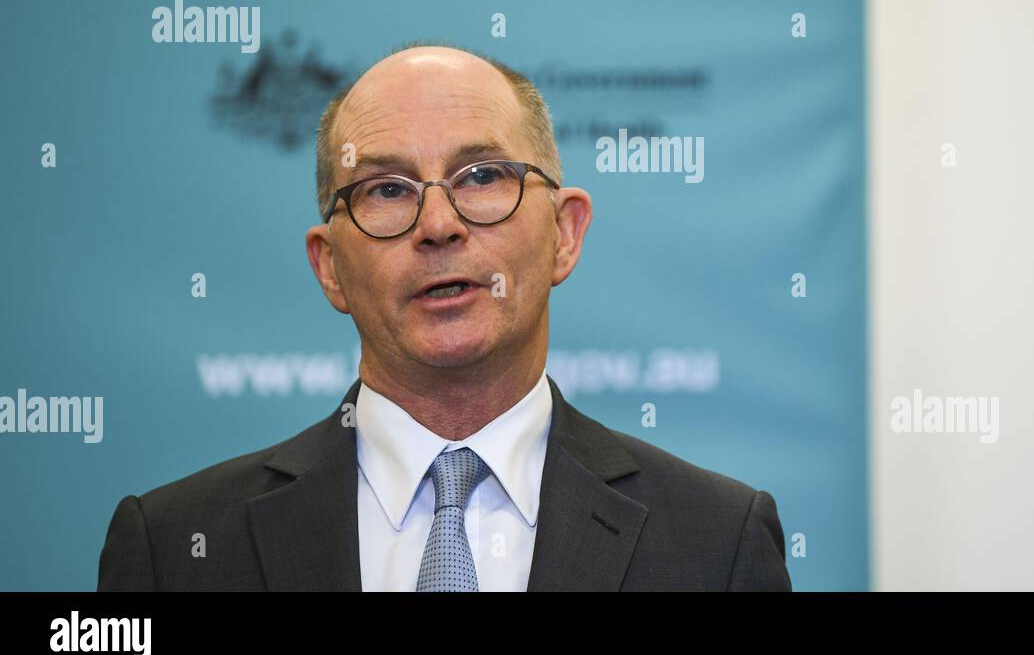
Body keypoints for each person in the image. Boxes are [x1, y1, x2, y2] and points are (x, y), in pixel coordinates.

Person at [97, 42, 791, 591]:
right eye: (387, 189)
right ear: (329, 266)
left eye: (483, 176)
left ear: (565, 233)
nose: (438, 225)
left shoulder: (717, 542)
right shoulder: (173, 547)